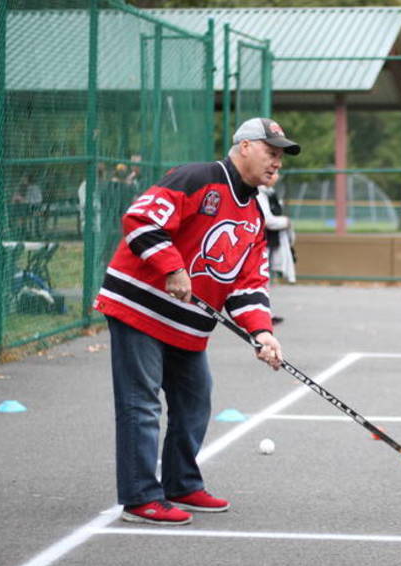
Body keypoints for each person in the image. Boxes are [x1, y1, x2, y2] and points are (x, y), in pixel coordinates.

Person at [93, 117, 301, 526]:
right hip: (140, 308)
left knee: (194, 400)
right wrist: (172, 267)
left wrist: (261, 332)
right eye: (270, 151)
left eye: (281, 155)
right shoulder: (197, 178)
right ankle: (140, 497)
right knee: (142, 403)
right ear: (245, 147)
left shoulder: (254, 214)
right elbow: (140, 219)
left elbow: (247, 283)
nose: (277, 161)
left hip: (187, 323)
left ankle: (181, 483)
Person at [256, 174, 296, 325]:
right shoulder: (259, 194)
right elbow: (268, 220)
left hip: (271, 242)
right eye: (273, 173)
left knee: (265, 278)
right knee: (261, 278)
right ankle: (261, 315)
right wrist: (286, 222)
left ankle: (265, 314)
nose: (276, 175)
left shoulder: (270, 193)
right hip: (261, 242)